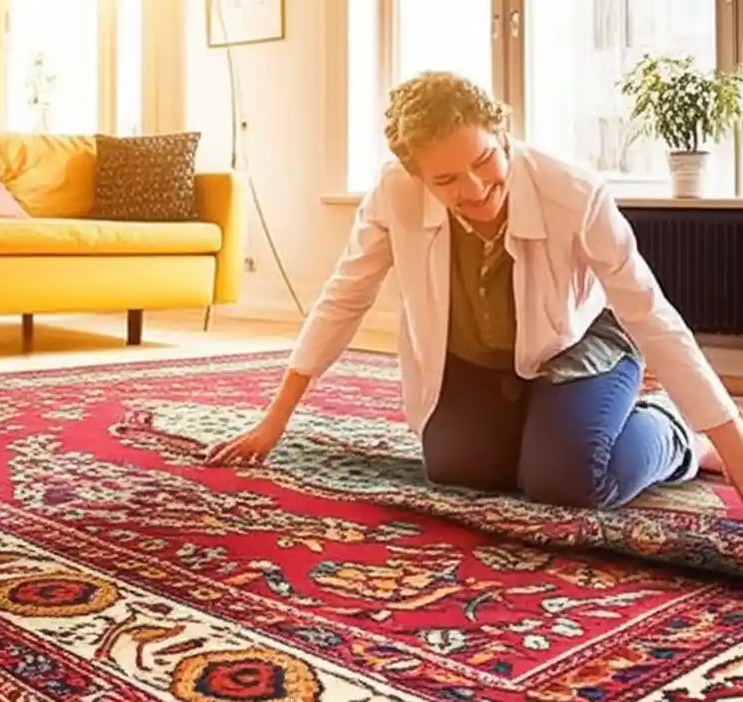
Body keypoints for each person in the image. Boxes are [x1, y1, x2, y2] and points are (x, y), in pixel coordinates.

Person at [206, 70, 743, 510]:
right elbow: (345, 296)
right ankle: (544, 426)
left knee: (568, 483)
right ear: (415, 176)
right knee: (459, 470)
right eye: (446, 181)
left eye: (485, 161)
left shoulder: (574, 195)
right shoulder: (393, 194)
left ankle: (676, 437)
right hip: (476, 359)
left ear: (503, 134)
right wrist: (273, 420)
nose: (476, 189)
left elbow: (652, 317)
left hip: (579, 346)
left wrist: (733, 447)